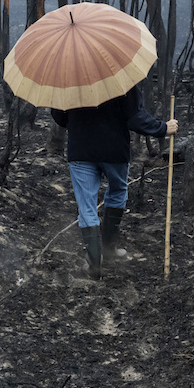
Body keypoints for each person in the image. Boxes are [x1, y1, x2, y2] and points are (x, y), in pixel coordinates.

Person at [52, 85, 178, 280]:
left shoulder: (68, 79)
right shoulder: (121, 79)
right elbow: (135, 117)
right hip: (114, 149)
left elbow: (60, 117)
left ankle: (94, 263)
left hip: (81, 149)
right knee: (118, 191)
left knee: (86, 205)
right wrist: (163, 128)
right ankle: (109, 249)